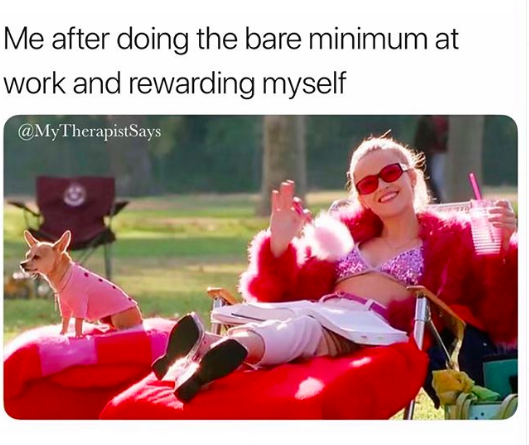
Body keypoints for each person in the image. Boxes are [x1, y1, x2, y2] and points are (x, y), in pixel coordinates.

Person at [153, 136, 518, 403]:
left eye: (391, 173)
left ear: (412, 178)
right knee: (281, 316)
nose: (382, 186)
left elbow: (499, 313)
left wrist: (504, 248)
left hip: (372, 330)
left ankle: (231, 346)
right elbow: (281, 291)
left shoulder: (451, 242)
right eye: (368, 183)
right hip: (321, 311)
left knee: (304, 326)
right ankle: (205, 352)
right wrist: (279, 244)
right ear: (362, 197)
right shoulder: (343, 237)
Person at [414, 115, 449, 202]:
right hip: (427, 154)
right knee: (432, 178)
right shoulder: (426, 122)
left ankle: (439, 199)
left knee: (437, 178)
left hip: (437, 154)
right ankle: (437, 199)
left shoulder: (437, 122)